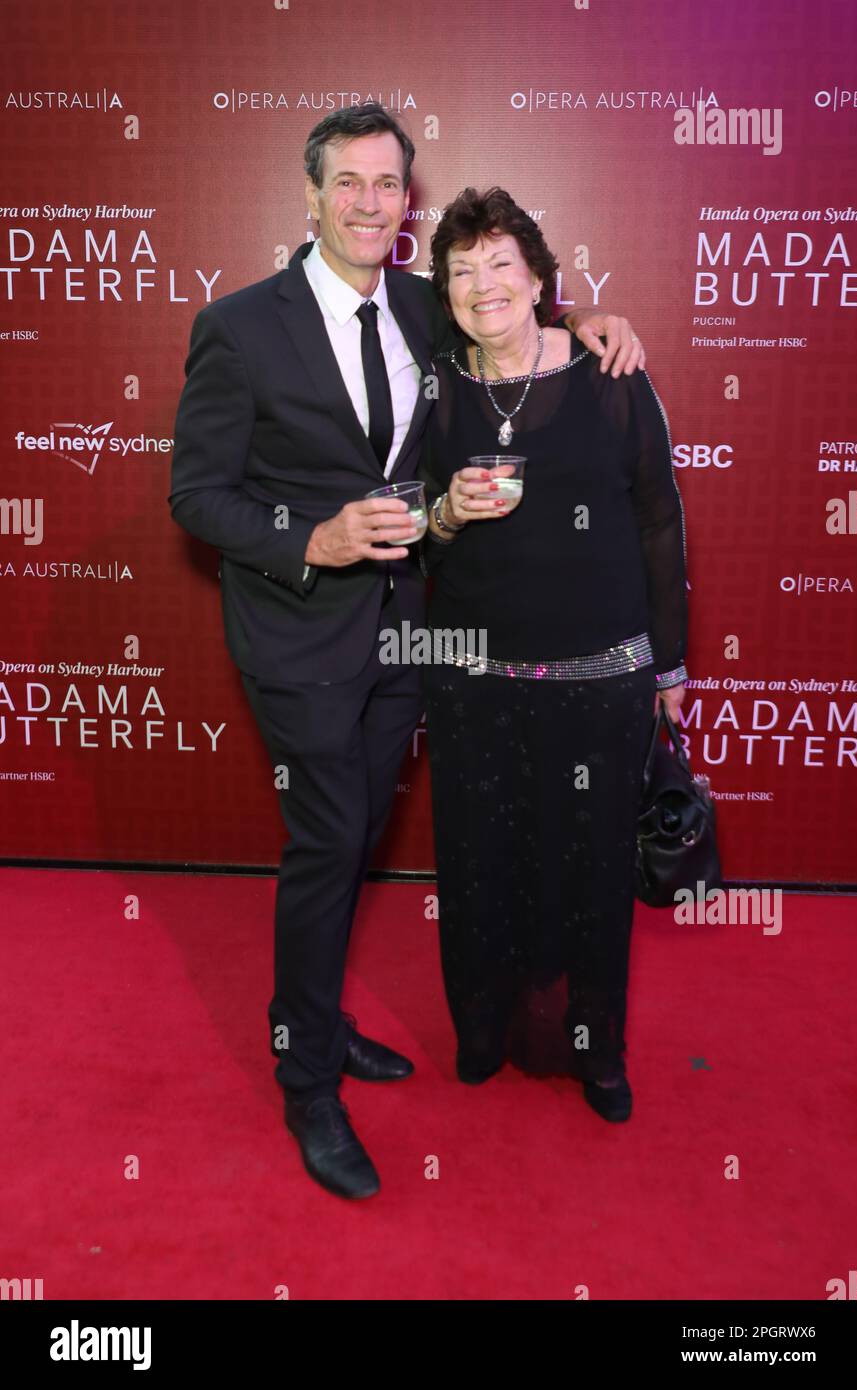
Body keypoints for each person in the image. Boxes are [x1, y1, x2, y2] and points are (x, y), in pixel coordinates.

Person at [169, 103, 646, 1200]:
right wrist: (313, 538)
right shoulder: (240, 327)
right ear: (309, 194)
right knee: (327, 840)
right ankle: (305, 1076)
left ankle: (325, 1029)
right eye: (348, 183)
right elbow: (195, 494)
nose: (369, 204)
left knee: (358, 835)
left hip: (412, 633)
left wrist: (601, 321)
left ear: (405, 201)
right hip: (299, 633)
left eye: (388, 185)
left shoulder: (428, 306)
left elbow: (516, 320)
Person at [420, 187, 688, 1122]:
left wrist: (669, 668)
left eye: (502, 264)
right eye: (462, 270)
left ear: (538, 277)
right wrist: (447, 513)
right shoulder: (436, 386)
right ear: (444, 291)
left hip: (599, 682)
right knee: (479, 863)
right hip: (474, 686)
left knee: (591, 871)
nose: (483, 284)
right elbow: (415, 537)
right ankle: (485, 1029)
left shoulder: (609, 373)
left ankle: (598, 1048)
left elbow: (658, 520)